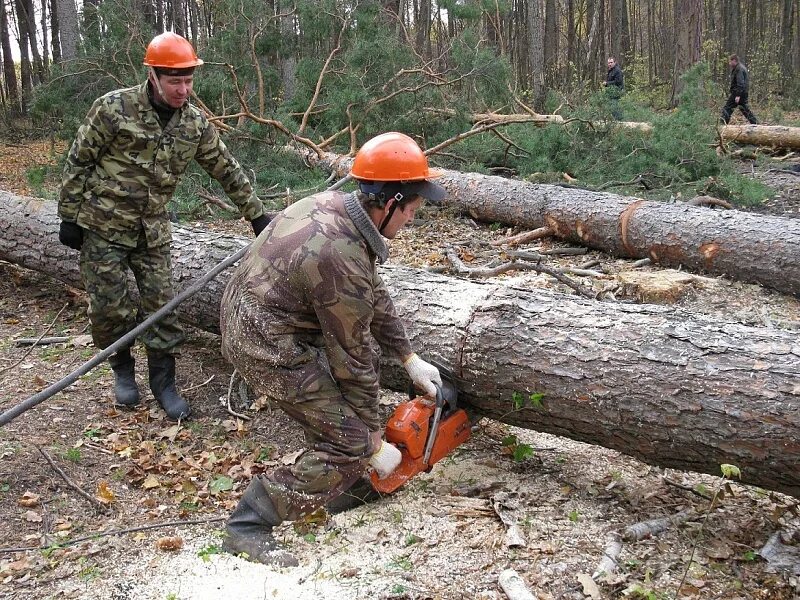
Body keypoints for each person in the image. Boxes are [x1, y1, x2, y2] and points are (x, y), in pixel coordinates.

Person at [218, 132, 446, 566]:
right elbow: (355, 360)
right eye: (413, 206)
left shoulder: (341, 209)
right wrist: (372, 443)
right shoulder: (340, 256)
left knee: (345, 423)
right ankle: (249, 523)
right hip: (263, 342)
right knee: (347, 442)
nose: (414, 216)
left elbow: (371, 293)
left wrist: (408, 356)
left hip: (261, 316)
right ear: (390, 200)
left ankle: (346, 481)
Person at [57, 32, 270, 421]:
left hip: (151, 232)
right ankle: (122, 371)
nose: (183, 89)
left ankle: (163, 383)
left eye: (189, 81)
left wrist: (255, 213)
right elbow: (79, 161)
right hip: (102, 227)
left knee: (163, 306)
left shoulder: (193, 125)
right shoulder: (113, 109)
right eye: (175, 81)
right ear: (153, 76)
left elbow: (226, 168)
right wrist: (68, 216)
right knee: (109, 309)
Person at [721, 54, 758, 125]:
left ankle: (722, 125)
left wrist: (738, 95)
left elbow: (740, 83)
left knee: (727, 108)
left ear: (734, 61)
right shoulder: (740, 68)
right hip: (743, 93)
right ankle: (755, 124)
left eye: (730, 61)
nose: (729, 63)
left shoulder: (739, 69)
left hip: (738, 93)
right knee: (745, 110)